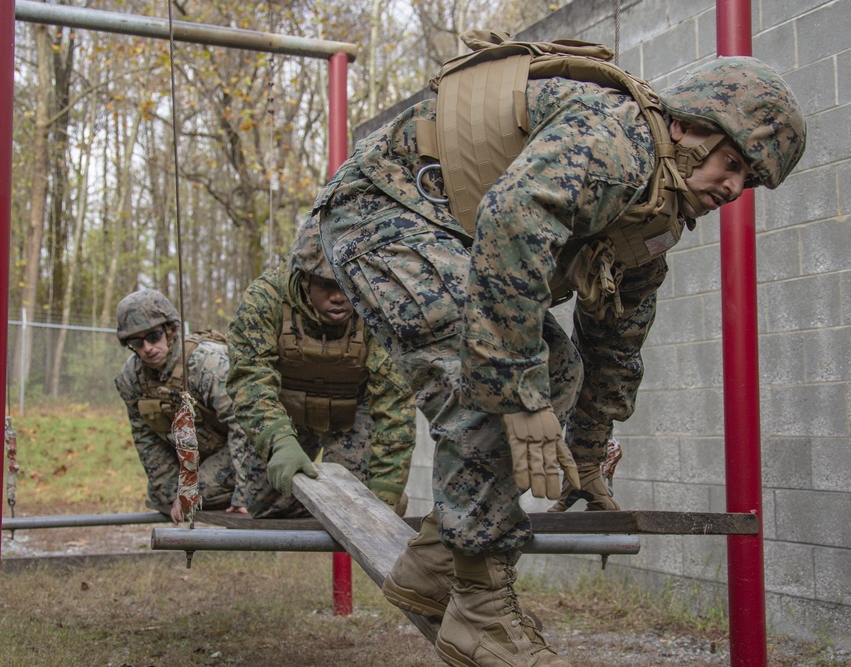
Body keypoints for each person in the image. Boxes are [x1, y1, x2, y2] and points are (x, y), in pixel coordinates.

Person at [312, 34, 806, 667]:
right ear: (690, 127)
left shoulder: (654, 216)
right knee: (489, 383)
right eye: (732, 165)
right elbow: (515, 218)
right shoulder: (614, 141)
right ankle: (480, 613)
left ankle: (436, 566)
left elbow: (615, 343)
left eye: (749, 181)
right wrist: (517, 397)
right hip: (379, 212)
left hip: (447, 234)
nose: (734, 189)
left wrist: (588, 449)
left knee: (550, 369)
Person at [226, 217, 417, 519]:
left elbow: (395, 407)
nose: (340, 296)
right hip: (286, 411)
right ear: (304, 279)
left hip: (352, 414)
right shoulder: (265, 299)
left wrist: (385, 494)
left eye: (347, 283)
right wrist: (279, 441)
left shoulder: (379, 307)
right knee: (266, 507)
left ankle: (355, 493)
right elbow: (250, 378)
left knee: (359, 509)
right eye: (328, 284)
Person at [114, 289, 249, 523]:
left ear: (170, 330)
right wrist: (173, 491)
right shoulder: (131, 378)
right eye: (137, 342)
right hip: (195, 456)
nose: (147, 347)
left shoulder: (207, 363)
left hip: (238, 448)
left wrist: (245, 490)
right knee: (163, 494)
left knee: (200, 492)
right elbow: (145, 437)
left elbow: (245, 424)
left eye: (154, 336)